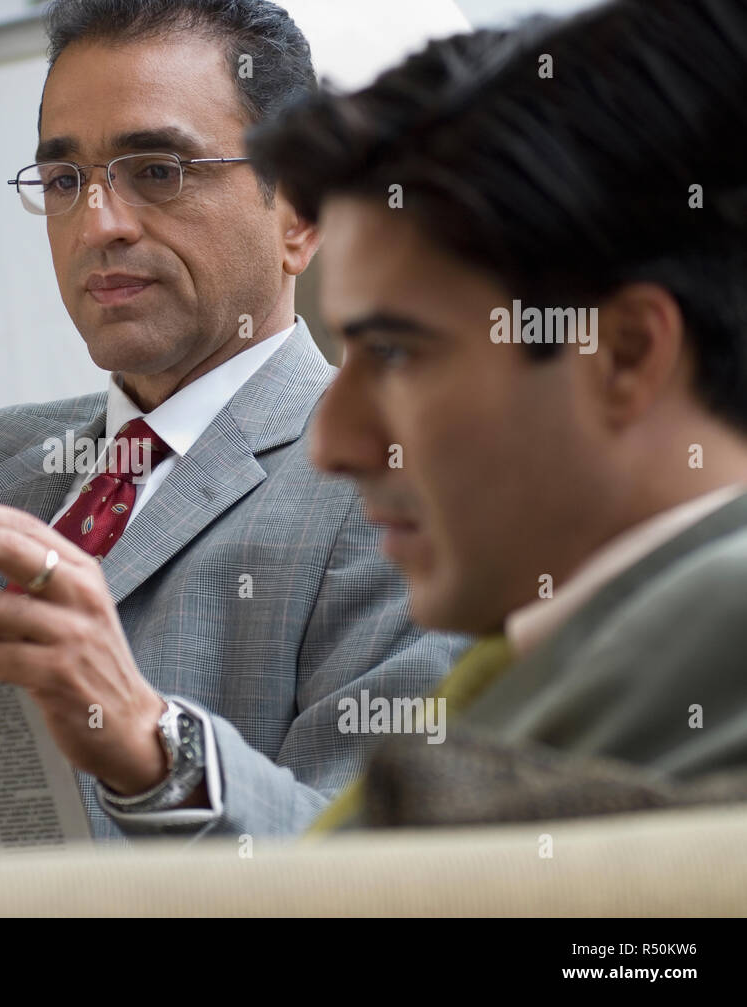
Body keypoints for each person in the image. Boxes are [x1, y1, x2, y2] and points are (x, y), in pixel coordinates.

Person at [0, 0, 465, 840]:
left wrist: (156, 749)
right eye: (65, 181)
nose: (99, 225)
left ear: (299, 216)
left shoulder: (399, 489)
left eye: (158, 171)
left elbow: (376, 864)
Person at [240, 0, 747, 828]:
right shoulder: (559, 644)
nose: (331, 444)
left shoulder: (710, 641)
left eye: (396, 352)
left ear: (624, 353)